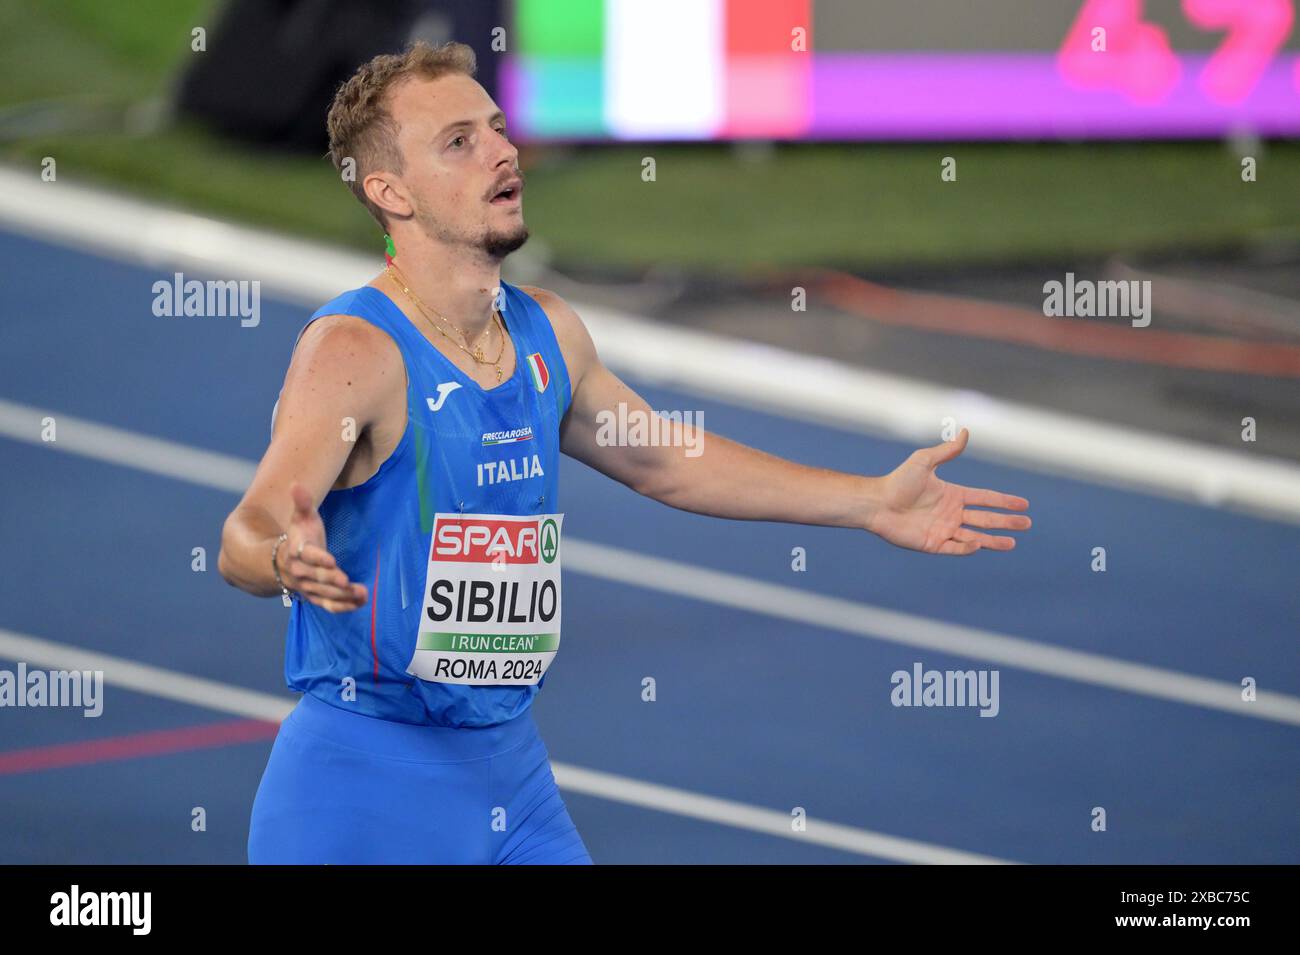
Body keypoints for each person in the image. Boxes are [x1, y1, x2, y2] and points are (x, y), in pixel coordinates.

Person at [217, 40, 1032, 865]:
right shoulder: (357, 350)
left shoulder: (547, 333)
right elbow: (243, 533)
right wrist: (284, 556)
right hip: (360, 793)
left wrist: (870, 500)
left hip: (510, 775)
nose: (503, 151)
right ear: (389, 191)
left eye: (497, 128)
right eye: (459, 141)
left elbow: (665, 459)